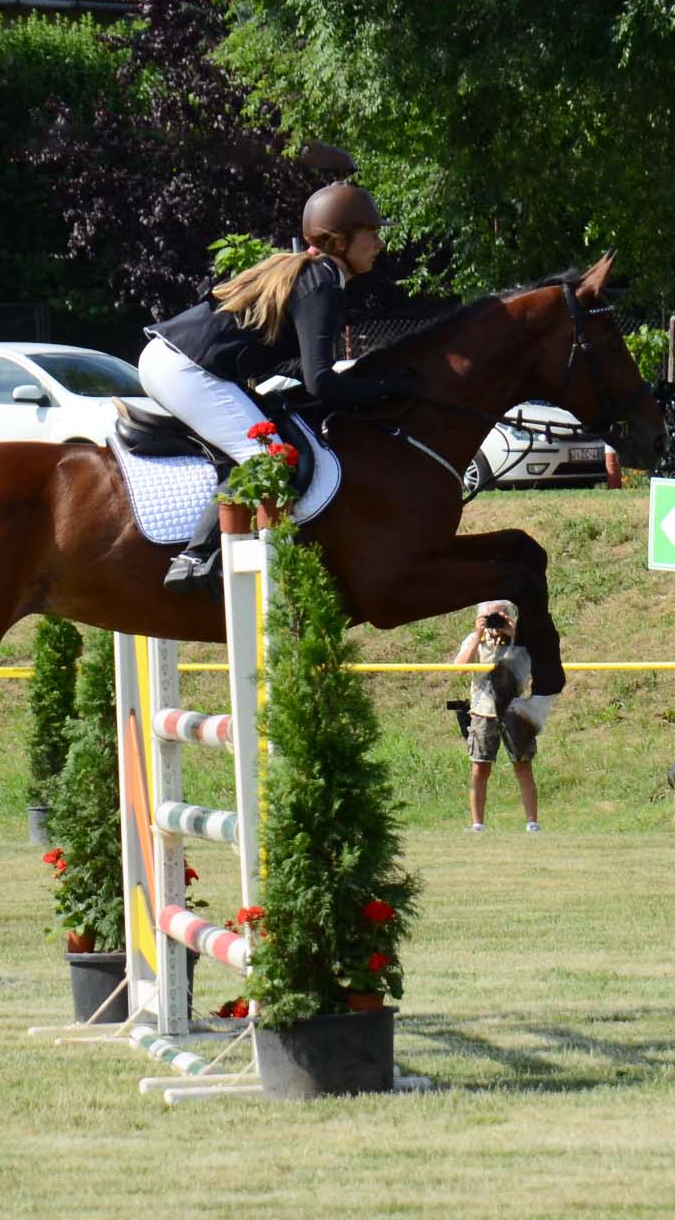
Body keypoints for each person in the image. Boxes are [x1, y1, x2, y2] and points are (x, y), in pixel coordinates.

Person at [139, 183, 413, 590]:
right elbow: (321, 380)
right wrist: (386, 388)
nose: (379, 243)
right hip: (187, 370)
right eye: (370, 233)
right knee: (271, 456)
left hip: (177, 361)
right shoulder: (320, 283)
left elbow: (302, 370)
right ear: (339, 241)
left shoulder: (315, 275)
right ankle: (194, 558)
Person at [452, 601, 540, 833]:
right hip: (483, 711)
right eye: (491, 616)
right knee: (479, 769)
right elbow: (459, 669)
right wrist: (479, 634)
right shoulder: (474, 639)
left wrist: (513, 633)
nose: (496, 620)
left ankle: (532, 823)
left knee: (523, 766)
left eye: (501, 615)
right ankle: (477, 824)